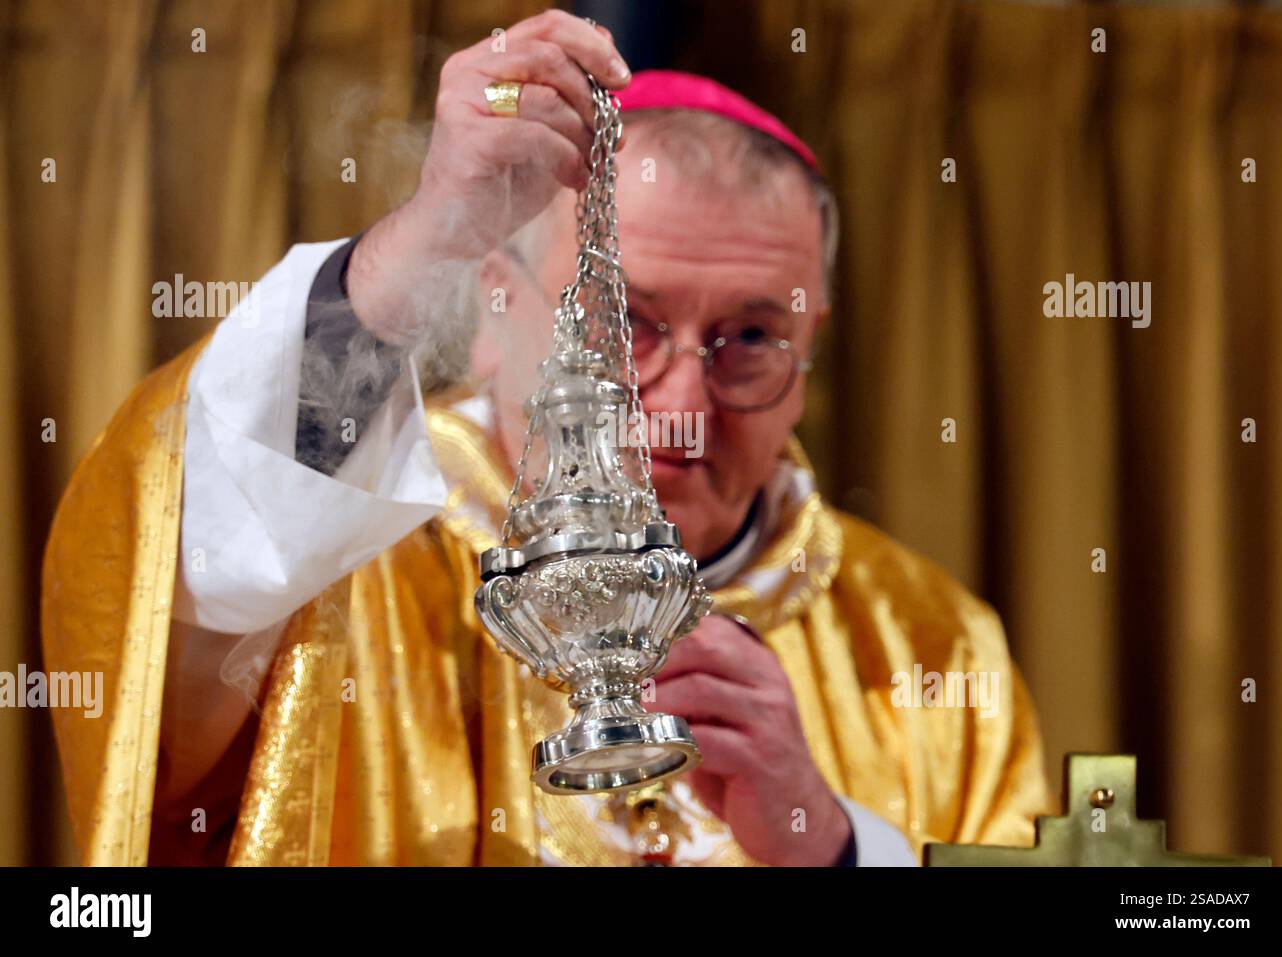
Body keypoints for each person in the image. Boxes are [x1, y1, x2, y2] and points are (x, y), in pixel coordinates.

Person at [42, 10, 1051, 866]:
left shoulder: (926, 642)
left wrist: (833, 845)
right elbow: (162, 594)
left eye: (751, 338)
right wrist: (428, 236)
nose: (679, 400)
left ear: (811, 346)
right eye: (625, 324)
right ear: (491, 308)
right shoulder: (342, 561)